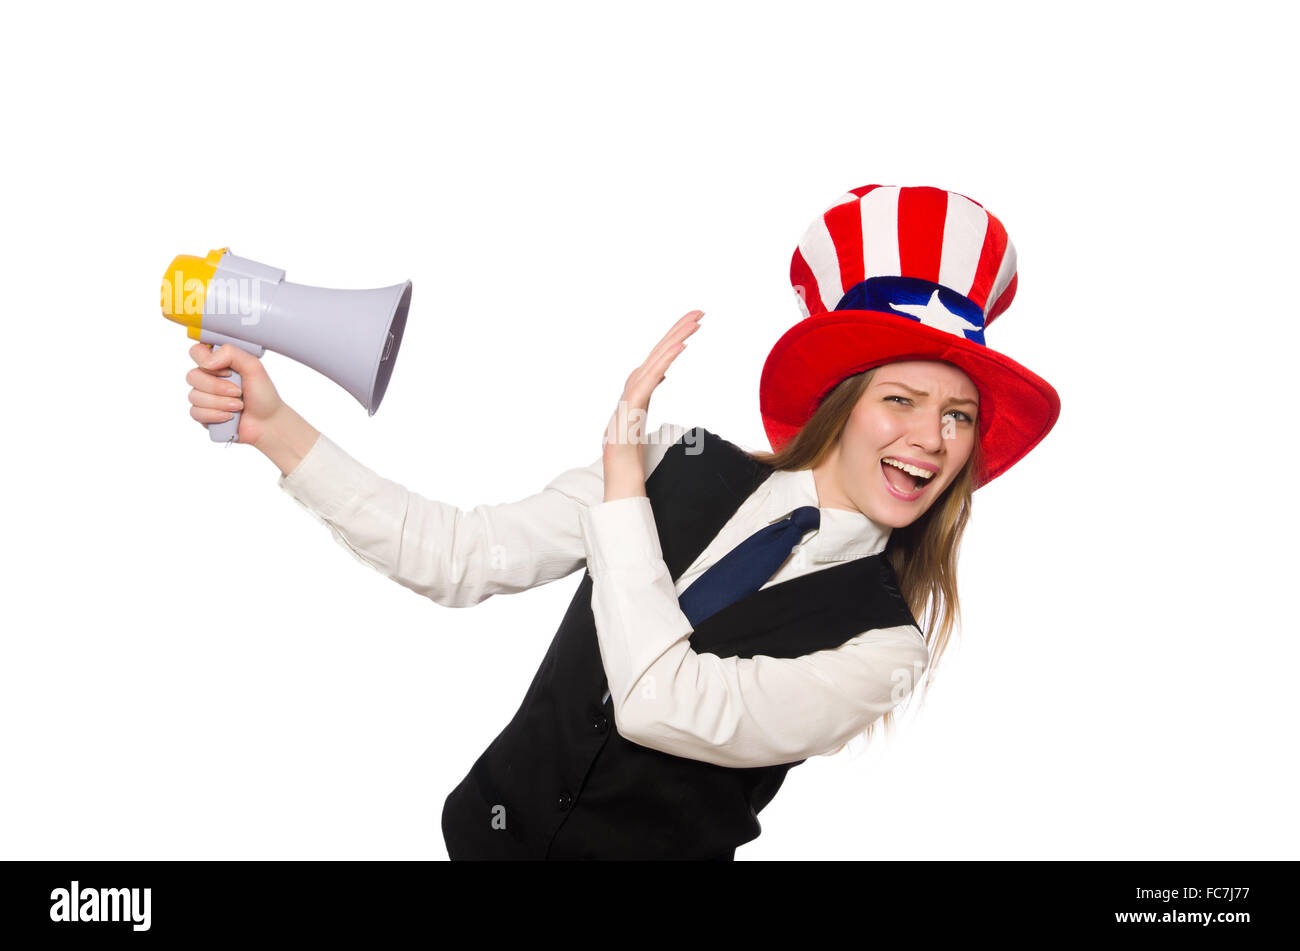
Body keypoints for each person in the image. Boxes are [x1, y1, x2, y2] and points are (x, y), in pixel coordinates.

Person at [182, 183, 1060, 860]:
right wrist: (272, 427)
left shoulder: (885, 649)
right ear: (840, 402)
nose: (930, 439)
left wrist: (621, 486)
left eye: (958, 416)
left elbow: (659, 703)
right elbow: (455, 554)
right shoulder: (672, 458)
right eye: (901, 399)